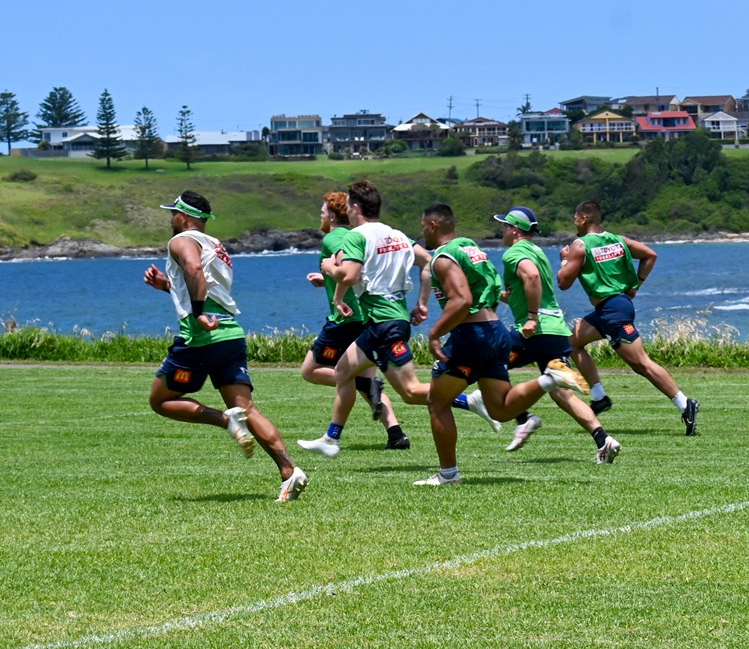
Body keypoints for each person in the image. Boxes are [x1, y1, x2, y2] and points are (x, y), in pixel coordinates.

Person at [296, 181, 498, 460]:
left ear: (355, 207)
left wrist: (329, 267)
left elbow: (350, 274)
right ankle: (331, 438)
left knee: (412, 392)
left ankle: (470, 400)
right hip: (386, 320)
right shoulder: (398, 235)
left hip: (384, 324)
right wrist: (421, 303)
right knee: (344, 371)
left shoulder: (357, 235)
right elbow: (428, 261)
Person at [143, 191, 307, 502]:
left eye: (174, 213)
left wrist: (198, 312)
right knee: (248, 409)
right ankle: (289, 470)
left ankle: (223, 419)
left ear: (187, 217)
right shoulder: (215, 245)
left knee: (160, 400)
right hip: (231, 334)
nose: (170, 219)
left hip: (201, 337)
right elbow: (200, 281)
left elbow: (193, 270)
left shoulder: (181, 240)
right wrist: (167, 285)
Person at [419, 202, 588, 486]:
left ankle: (448, 475)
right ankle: (550, 379)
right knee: (500, 408)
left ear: (433, 225)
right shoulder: (472, 249)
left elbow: (462, 300)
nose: (422, 230)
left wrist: (436, 333)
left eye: (424, 225)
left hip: (471, 335)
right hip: (495, 330)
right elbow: (494, 289)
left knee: (437, 402)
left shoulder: (443, 257)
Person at [556, 200, 699, 436]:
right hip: (612, 307)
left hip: (612, 311)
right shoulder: (617, 240)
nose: (574, 222)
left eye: (575, 218)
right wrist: (636, 286)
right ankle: (599, 396)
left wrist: (564, 258)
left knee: (641, 363)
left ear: (583, 219)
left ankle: (685, 404)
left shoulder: (579, 246)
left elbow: (563, 282)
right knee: (572, 342)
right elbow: (650, 255)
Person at [495, 205, 621, 464]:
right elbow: (527, 287)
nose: (502, 231)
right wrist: (495, 294)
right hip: (555, 330)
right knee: (562, 393)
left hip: (535, 330)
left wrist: (530, 317)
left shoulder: (514, 253)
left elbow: (531, 277)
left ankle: (524, 418)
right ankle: (603, 439)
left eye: (504, 226)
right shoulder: (537, 251)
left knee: (488, 365)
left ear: (514, 229)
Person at [299, 192, 409, 451]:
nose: (321, 215)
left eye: (323, 210)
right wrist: (324, 279)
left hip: (345, 319)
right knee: (364, 380)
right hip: (365, 317)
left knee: (311, 370)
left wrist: (331, 269)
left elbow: (342, 263)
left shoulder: (334, 236)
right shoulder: (355, 235)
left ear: (333, 216)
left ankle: (362, 392)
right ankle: (396, 434)